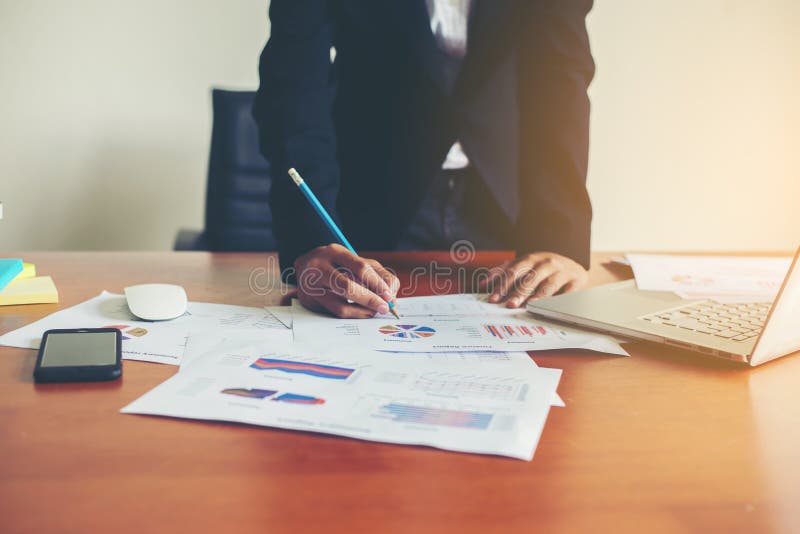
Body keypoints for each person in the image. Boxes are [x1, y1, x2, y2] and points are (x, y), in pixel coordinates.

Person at [253, 0, 595, 318]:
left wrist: (560, 240)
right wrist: (310, 240)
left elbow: (561, 74)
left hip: (505, 204)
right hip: (363, 203)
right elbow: (293, 83)